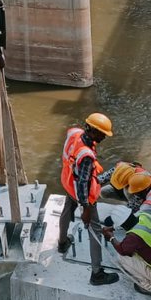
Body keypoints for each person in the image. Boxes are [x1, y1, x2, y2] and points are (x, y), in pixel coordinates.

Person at [57, 112, 119, 286]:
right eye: (102, 134)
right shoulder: (86, 156)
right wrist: (86, 208)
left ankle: (62, 243)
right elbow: (84, 182)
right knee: (95, 230)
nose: (104, 137)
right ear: (92, 130)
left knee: (67, 210)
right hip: (83, 193)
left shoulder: (74, 134)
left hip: (68, 182)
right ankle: (97, 273)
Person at [102, 210, 151, 295]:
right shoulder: (145, 216)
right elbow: (129, 221)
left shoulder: (133, 237)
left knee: (122, 258)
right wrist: (113, 227)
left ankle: (148, 286)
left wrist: (111, 237)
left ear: (122, 225)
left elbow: (121, 250)